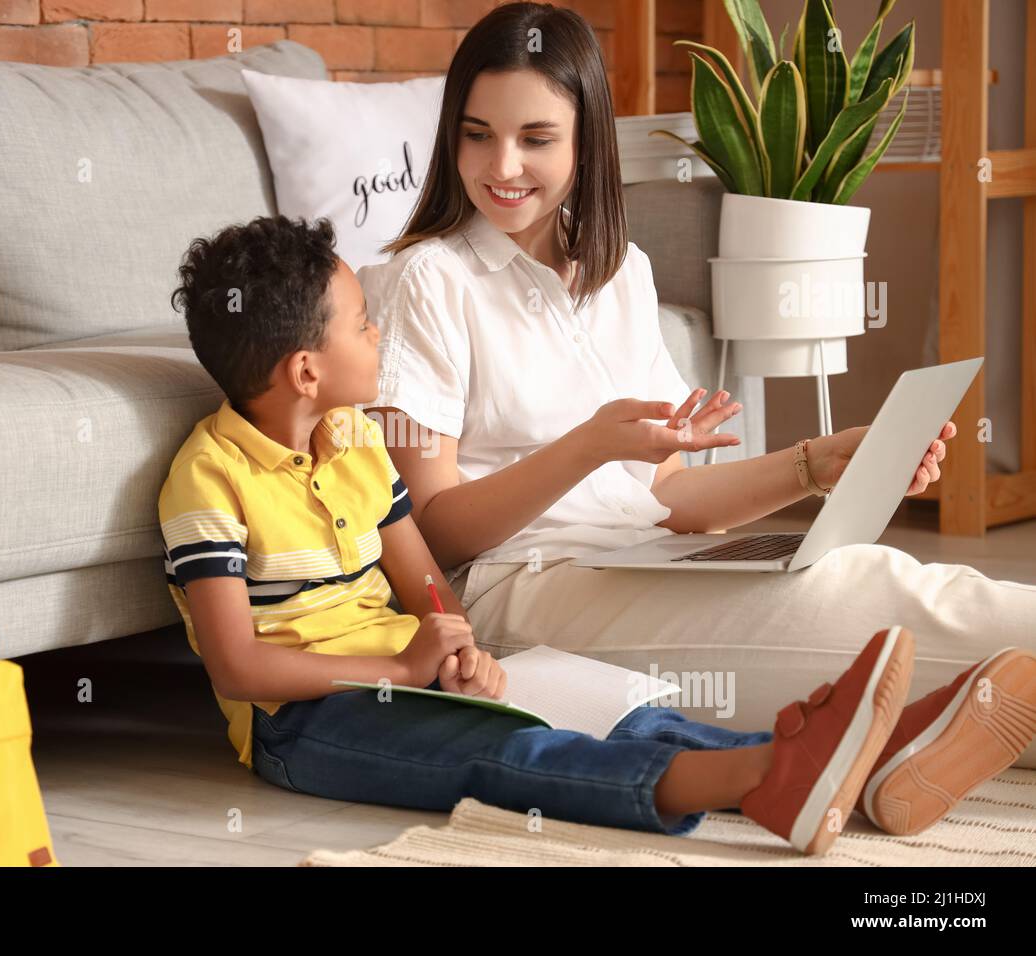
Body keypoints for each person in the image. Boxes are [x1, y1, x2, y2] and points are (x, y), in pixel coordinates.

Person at [156, 214, 1036, 854]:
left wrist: (452, 639)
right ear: (307, 369)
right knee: (516, 753)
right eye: (362, 323)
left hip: (415, 670)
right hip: (304, 720)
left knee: (619, 705)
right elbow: (240, 667)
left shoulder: (354, 443)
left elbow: (423, 580)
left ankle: (861, 763)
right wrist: (401, 670)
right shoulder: (210, 478)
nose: (377, 331)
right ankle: (764, 781)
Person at [357, 2, 1036, 771]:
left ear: (587, 143)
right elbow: (435, 532)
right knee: (874, 614)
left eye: (536, 139)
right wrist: (587, 447)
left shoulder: (620, 275)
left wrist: (819, 462)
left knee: (879, 579)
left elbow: (669, 496)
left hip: (642, 560)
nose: (501, 166)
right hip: (521, 595)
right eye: (477, 134)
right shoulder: (428, 281)